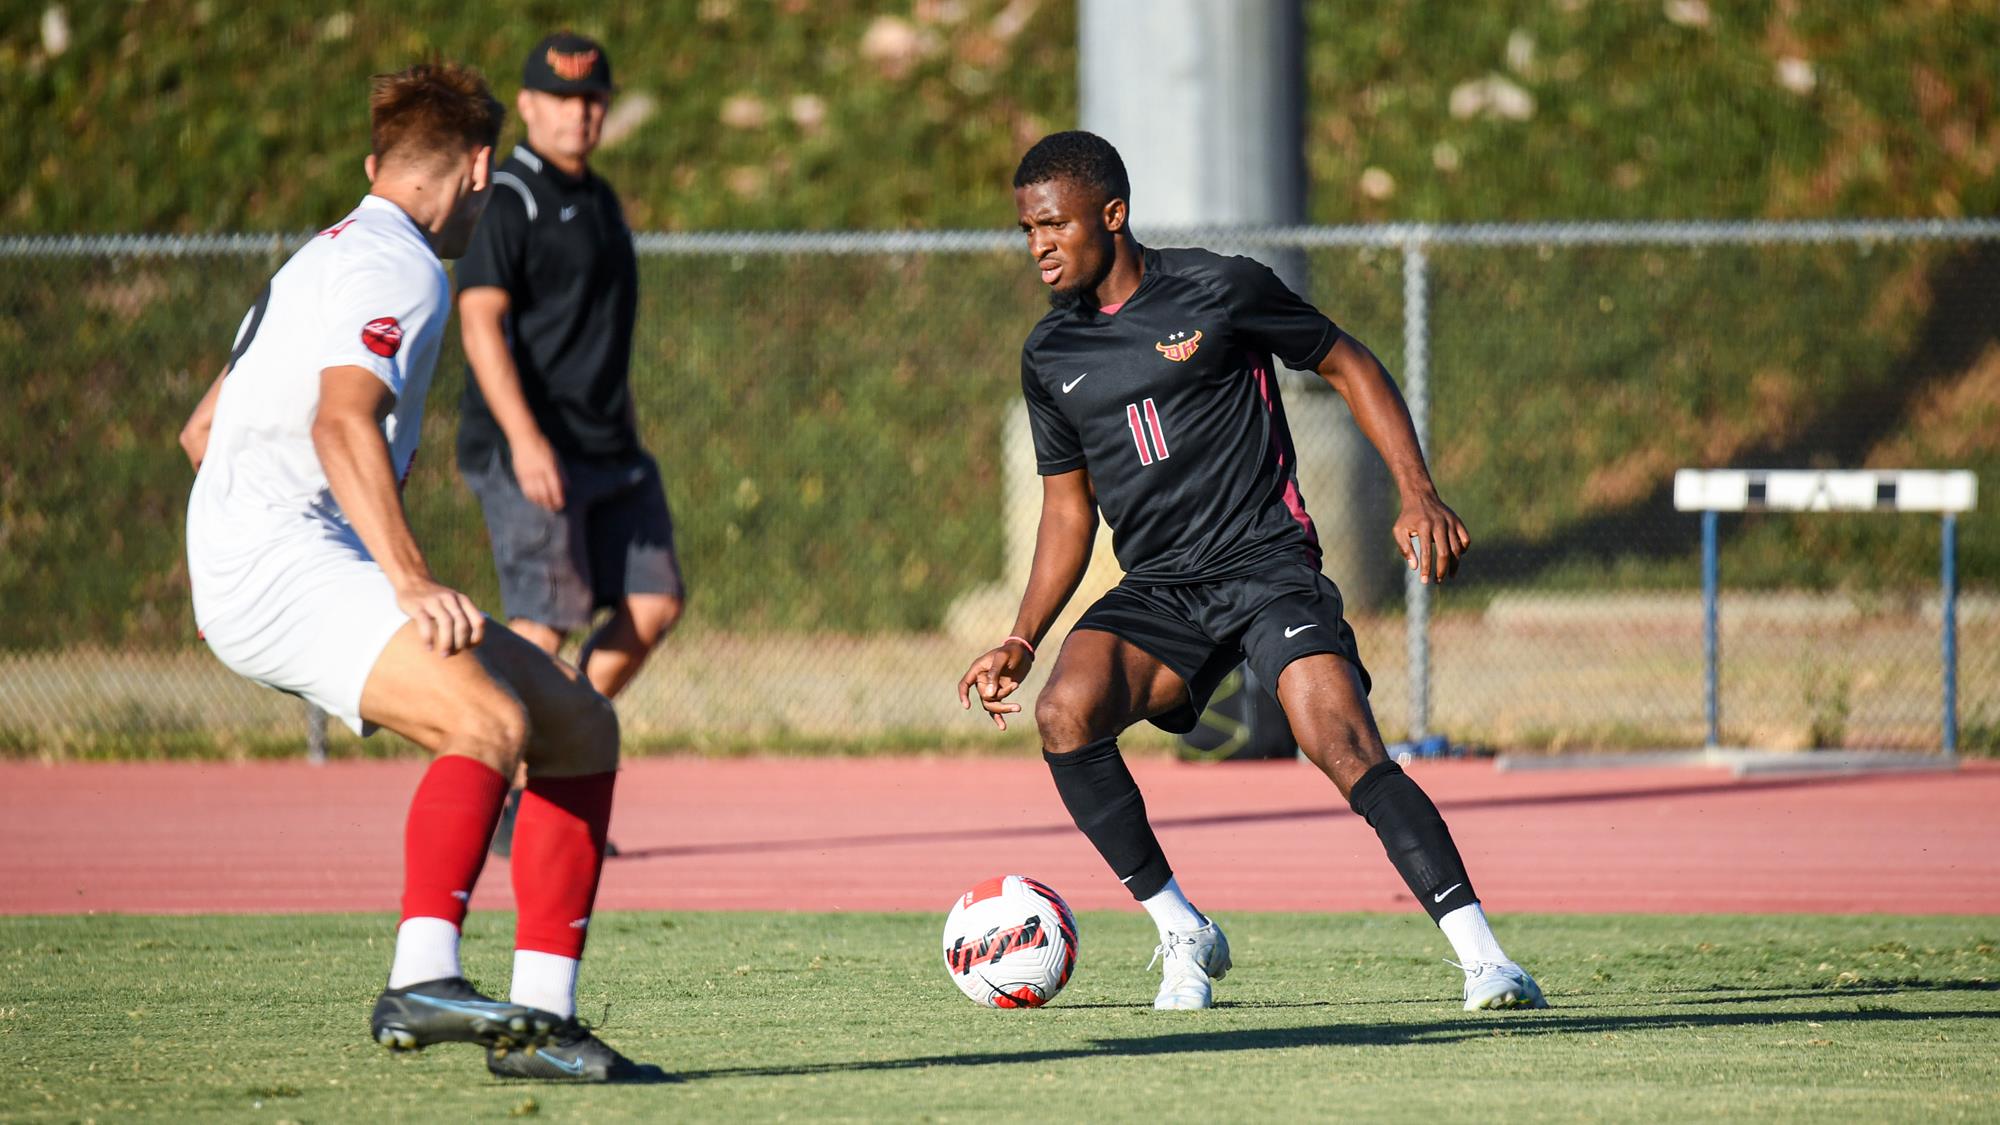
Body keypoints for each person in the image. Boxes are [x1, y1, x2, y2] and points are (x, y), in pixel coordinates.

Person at [957, 131, 1547, 1013]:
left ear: (1111, 216)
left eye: (1054, 226)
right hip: (1162, 587)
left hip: (1266, 563)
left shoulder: (1219, 288)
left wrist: (1418, 490)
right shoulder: (1051, 356)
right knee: (1064, 711)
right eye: (1026, 230)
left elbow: (1346, 361)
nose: (1038, 246)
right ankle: (1179, 924)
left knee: (1343, 746)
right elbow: (1068, 512)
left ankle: (1487, 962)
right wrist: (1020, 634)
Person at [180, 61, 659, 1082]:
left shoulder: (328, 254)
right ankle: (421, 973)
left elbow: (200, 432)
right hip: (280, 564)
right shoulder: (398, 263)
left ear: (375, 166)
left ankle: (541, 1023)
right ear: (481, 169)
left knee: (578, 722)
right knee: (484, 722)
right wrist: (397, 580)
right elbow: (340, 416)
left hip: (273, 555)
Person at [455, 32, 683, 857]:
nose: (578, 114)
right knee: (541, 625)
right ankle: (499, 789)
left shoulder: (599, 198)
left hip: (609, 448)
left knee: (654, 602)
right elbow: (478, 320)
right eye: (560, 98)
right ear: (527, 106)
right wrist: (524, 439)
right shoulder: (508, 197)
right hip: (531, 448)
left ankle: (549, 762)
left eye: (592, 101)